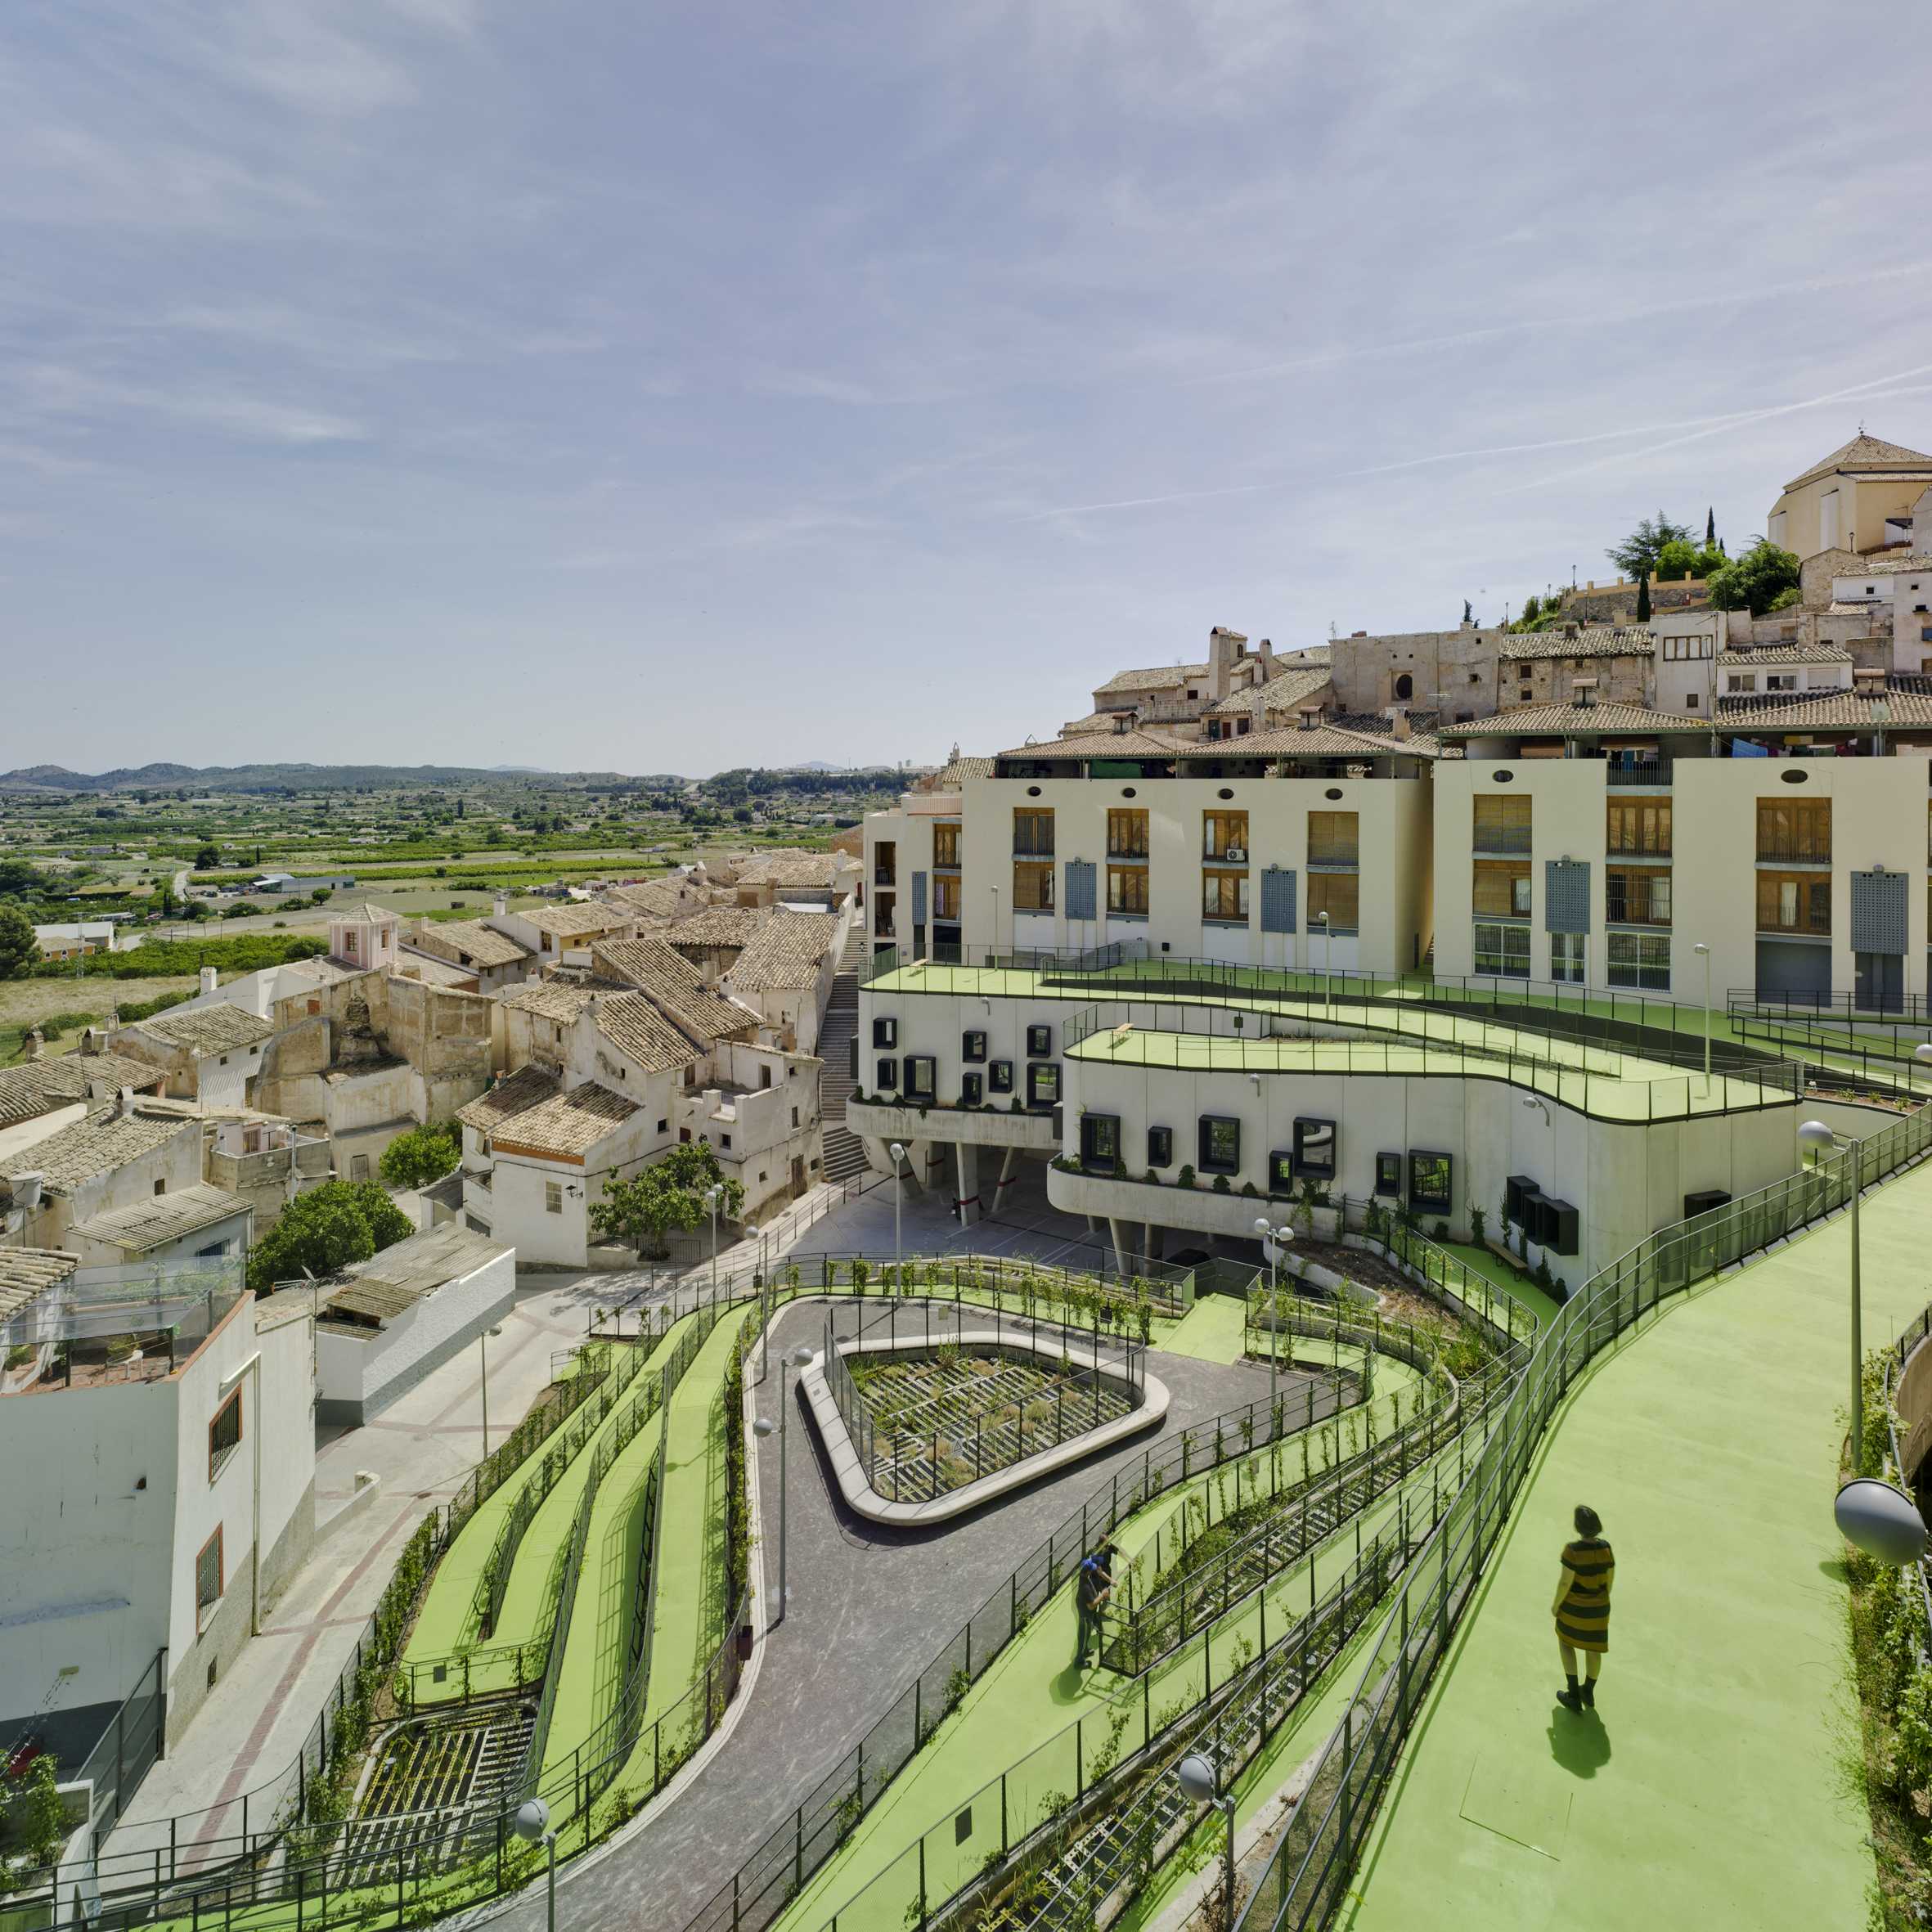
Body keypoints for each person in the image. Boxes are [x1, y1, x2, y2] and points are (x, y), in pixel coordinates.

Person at [1552, 1503, 1613, 1712]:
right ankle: (1588, 1689)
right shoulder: (1606, 1548)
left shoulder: (1572, 1551)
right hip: (1599, 1609)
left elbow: (1564, 1583)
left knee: (1565, 1642)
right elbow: (1609, 1581)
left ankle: (1573, 1694)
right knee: (1594, 1648)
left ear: (1578, 1527)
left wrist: (1556, 1605)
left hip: (1575, 1609)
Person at [1075, 1541, 1119, 1666]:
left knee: (1088, 1632)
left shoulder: (1084, 1576)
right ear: (1088, 1572)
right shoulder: (1085, 1587)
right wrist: (1103, 1595)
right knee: (1083, 1636)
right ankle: (1079, 1660)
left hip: (1087, 1611)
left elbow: (1099, 1571)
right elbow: (1091, 1605)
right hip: (1085, 1613)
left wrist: (1111, 1580)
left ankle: (1085, 1650)